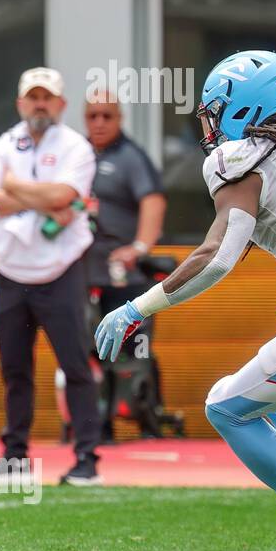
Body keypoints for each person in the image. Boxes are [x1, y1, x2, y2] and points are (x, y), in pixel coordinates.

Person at [95, 48, 276, 551]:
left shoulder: (240, 159)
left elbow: (218, 256)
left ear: (243, 109)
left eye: (213, 110)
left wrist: (138, 306)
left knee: (225, 406)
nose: (208, 124)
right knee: (273, 394)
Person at [0, 67, 101, 486]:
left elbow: (65, 196)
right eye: (33, 97)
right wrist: (41, 196)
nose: (40, 104)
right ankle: (14, 456)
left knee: (74, 365)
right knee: (15, 368)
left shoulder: (76, 146)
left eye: (48, 97)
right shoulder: (4, 143)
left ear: (61, 104)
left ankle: (86, 459)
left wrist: (14, 186)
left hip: (61, 269)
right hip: (10, 271)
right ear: (20, 103)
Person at [83, 88, 166, 441]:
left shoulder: (132, 157)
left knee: (133, 350)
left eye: (107, 115)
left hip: (124, 275)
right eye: (93, 115)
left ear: (120, 119)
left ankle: (148, 420)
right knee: (89, 349)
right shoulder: (76, 155)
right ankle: (96, 425)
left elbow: (153, 200)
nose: (99, 122)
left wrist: (140, 246)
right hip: (85, 273)